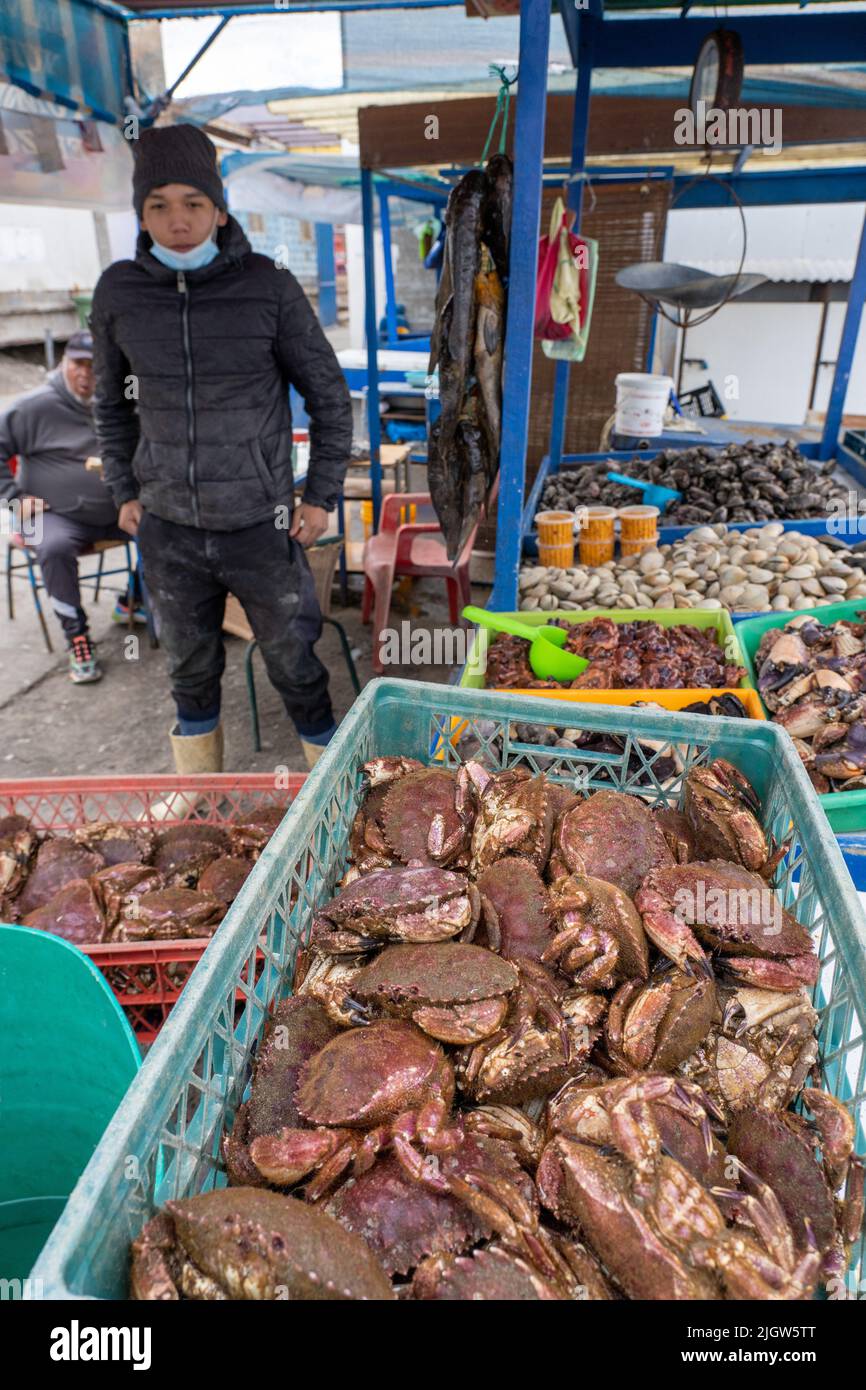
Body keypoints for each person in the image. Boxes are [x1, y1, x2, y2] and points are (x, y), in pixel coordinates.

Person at [90, 123, 352, 774]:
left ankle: (326, 789)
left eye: (192, 203)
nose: (177, 220)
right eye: (158, 206)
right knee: (186, 664)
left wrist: (320, 495)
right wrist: (125, 489)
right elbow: (112, 401)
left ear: (219, 209)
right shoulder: (120, 292)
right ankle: (200, 803)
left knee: (292, 658)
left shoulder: (267, 286)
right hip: (168, 527)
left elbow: (328, 395)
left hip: (259, 523)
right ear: (141, 214)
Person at [0, 331, 146, 684]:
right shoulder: (32, 406)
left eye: (95, 367)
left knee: (168, 528)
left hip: (114, 509)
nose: (86, 374)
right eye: (78, 364)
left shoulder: (119, 403)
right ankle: (77, 636)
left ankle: (133, 599)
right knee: (51, 545)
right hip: (46, 514)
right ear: (63, 363)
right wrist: (14, 498)